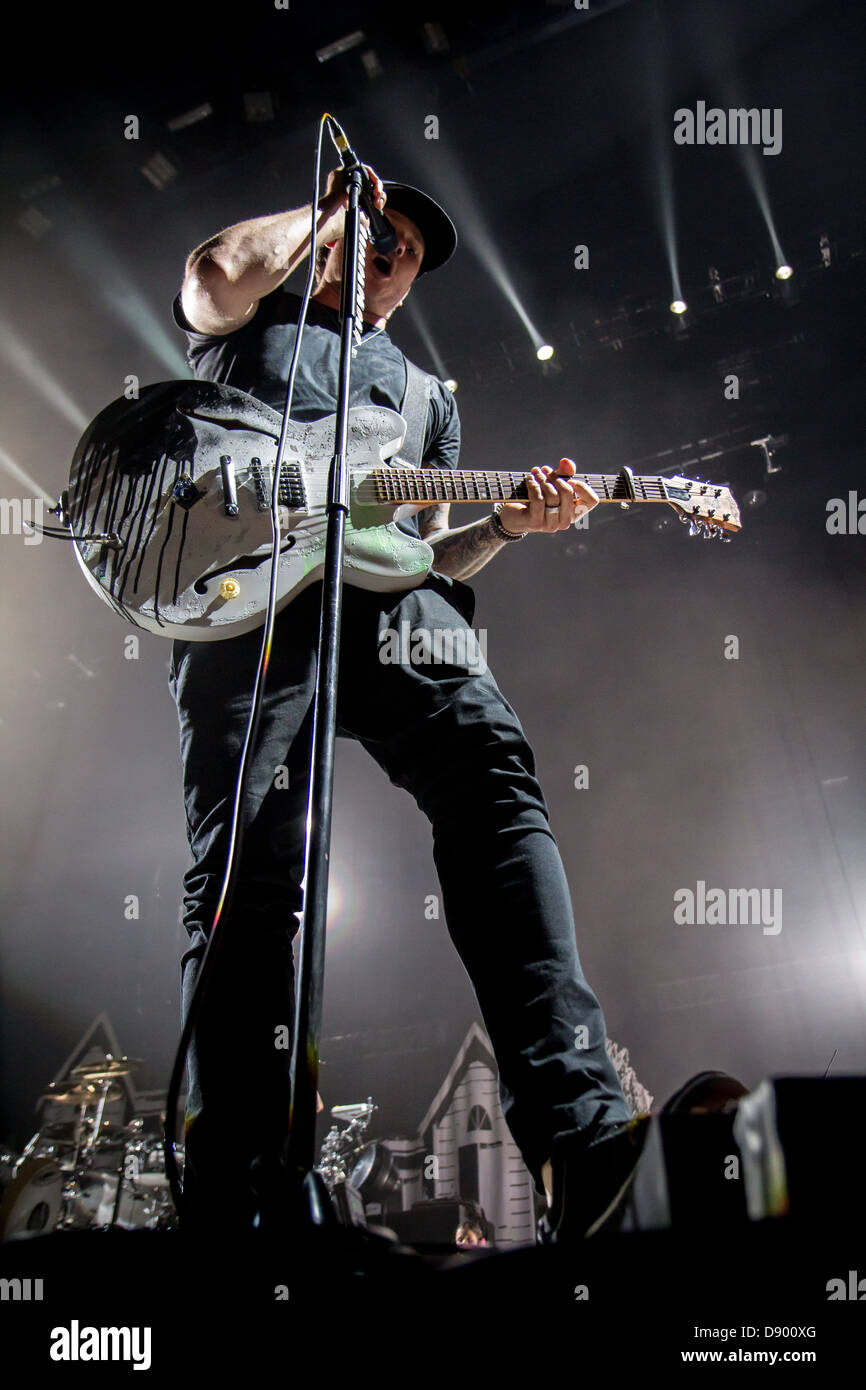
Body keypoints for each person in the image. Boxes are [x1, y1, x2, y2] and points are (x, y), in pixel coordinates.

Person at [168, 163, 648, 1242]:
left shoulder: (429, 401)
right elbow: (212, 272)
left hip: (393, 606)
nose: (390, 255)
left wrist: (509, 529)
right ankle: (249, 1172)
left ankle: (581, 1133)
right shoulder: (249, 326)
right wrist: (328, 211)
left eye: (409, 253)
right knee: (251, 866)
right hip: (252, 597)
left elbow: (425, 549)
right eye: (377, 235)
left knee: (493, 780)